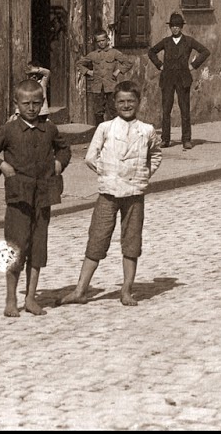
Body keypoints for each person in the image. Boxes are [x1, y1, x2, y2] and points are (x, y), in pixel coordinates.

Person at [58, 81, 160, 308]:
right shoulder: (105, 128)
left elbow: (155, 155)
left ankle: (126, 290)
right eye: (121, 101)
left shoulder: (147, 130)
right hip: (108, 192)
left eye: (131, 101)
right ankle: (81, 290)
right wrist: (107, 173)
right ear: (114, 103)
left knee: (131, 240)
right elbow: (90, 157)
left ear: (138, 102)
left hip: (134, 192)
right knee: (97, 237)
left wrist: (143, 174)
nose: (126, 105)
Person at [0, 79, 71, 317]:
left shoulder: (49, 129)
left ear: (43, 103)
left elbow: (64, 149)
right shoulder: (8, 130)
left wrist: (59, 163)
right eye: (26, 103)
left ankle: (31, 298)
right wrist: (2, 166)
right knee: (14, 247)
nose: (31, 108)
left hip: (43, 196)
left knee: (38, 247)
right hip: (18, 198)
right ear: (16, 104)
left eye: (36, 103)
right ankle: (11, 299)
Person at [147, 12, 211, 150]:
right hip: (168, 78)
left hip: (183, 79)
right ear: (170, 28)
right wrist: (160, 65)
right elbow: (151, 52)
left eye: (177, 26)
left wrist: (193, 66)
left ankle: (186, 140)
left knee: (184, 109)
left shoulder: (189, 41)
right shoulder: (166, 42)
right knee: (166, 109)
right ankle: (165, 139)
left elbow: (205, 51)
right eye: (172, 26)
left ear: (182, 27)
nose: (175, 28)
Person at [77, 31, 133, 124]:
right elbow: (79, 64)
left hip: (111, 86)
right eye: (99, 41)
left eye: (103, 40)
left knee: (114, 110)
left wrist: (118, 71)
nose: (101, 43)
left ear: (107, 40)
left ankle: (115, 132)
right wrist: (88, 71)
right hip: (97, 87)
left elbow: (128, 63)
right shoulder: (93, 54)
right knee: (98, 111)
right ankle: (101, 133)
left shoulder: (114, 53)